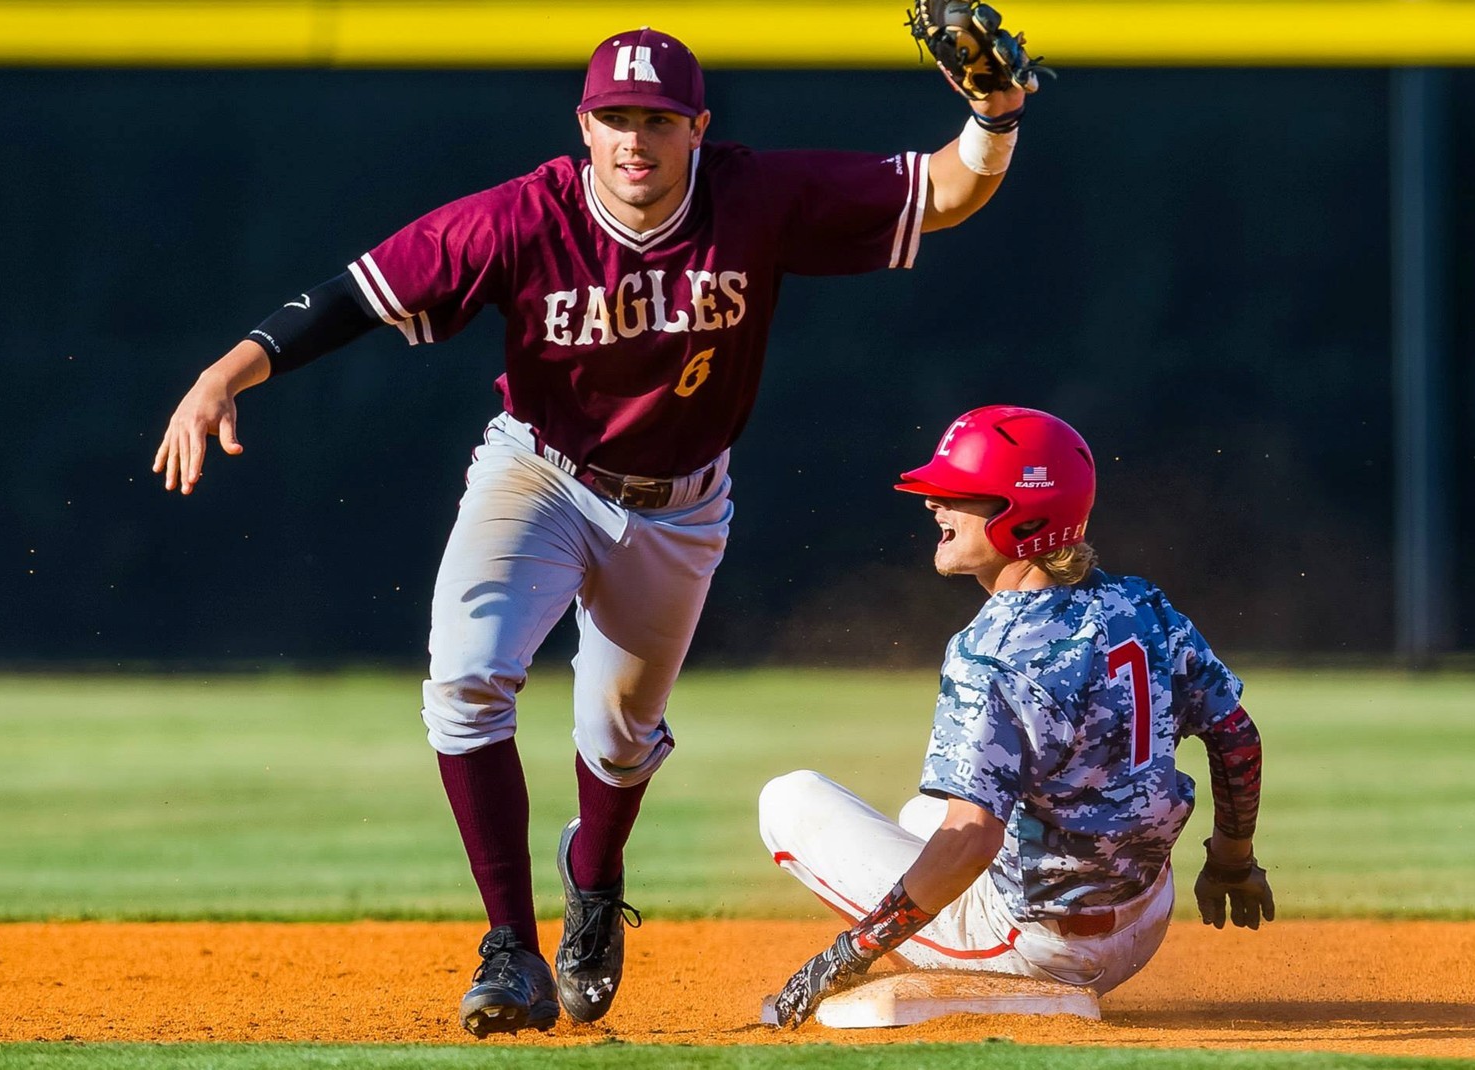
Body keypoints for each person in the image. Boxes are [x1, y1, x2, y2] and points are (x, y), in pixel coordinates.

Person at [152, 27, 1031, 1038]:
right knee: (465, 679)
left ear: (698, 128)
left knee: (618, 740)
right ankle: (509, 949)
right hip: (540, 469)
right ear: (584, 126)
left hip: (682, 503)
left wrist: (995, 116)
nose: (634, 139)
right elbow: (357, 293)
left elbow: (945, 190)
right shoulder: (522, 217)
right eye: (615, 117)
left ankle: (597, 874)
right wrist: (226, 372)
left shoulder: (753, 196)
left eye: (657, 119)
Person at [760, 405, 1275, 1028]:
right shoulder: (1141, 604)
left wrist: (847, 956)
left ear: (1024, 516)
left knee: (788, 799)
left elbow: (971, 839)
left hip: (1039, 947)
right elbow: (1236, 739)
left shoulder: (990, 652)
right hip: (1147, 912)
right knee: (921, 815)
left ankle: (1017, 990)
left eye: (959, 493)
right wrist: (1231, 862)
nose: (934, 504)